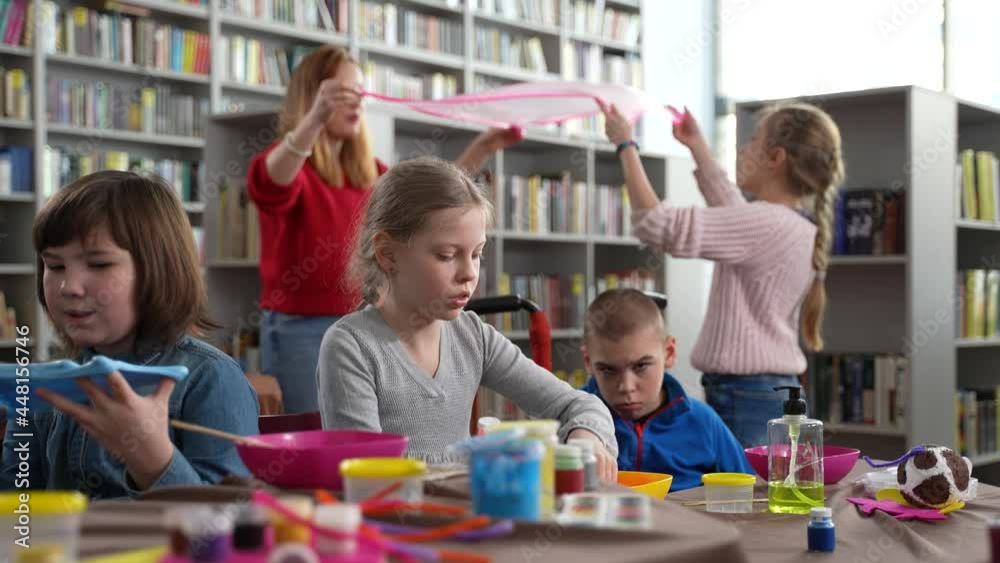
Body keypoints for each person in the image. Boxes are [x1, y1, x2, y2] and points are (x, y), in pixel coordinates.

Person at [247, 44, 521, 413]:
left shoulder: (371, 171)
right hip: (302, 329)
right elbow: (272, 184)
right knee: (319, 435)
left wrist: (483, 148)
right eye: (343, 93)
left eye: (360, 92)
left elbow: (431, 205)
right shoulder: (288, 162)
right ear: (313, 97)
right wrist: (313, 120)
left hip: (370, 321)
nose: (356, 102)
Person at [317, 157, 618, 479]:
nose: (469, 273)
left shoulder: (473, 335)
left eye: (477, 254)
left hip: (467, 520)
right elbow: (368, 478)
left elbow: (581, 405)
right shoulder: (352, 347)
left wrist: (586, 438)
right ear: (388, 254)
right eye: (447, 256)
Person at [598, 100, 844, 447]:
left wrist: (626, 146)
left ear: (776, 159)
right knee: (760, 495)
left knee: (737, 497)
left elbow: (656, 225)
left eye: (755, 140)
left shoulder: (765, 223)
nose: (744, 148)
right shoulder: (791, 223)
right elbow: (734, 210)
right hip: (766, 389)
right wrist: (697, 147)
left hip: (744, 394)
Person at [0, 171, 259, 498]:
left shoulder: (210, 380)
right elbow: (16, 510)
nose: (69, 287)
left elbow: (226, 527)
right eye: (55, 266)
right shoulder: (38, 385)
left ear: (159, 271)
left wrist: (152, 460)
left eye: (98, 265)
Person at [580, 288, 753, 490]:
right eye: (608, 370)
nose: (626, 387)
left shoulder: (703, 422)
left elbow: (748, 497)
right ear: (588, 361)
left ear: (669, 353)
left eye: (641, 366)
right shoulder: (568, 424)